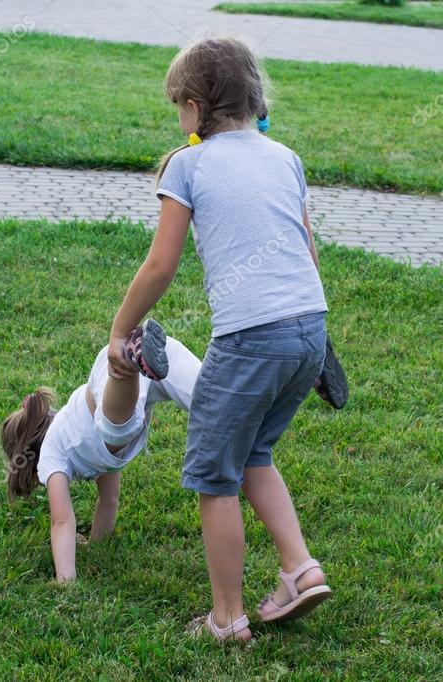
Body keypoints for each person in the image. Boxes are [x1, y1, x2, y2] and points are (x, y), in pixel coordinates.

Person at [107, 36, 332, 642]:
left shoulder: (189, 164)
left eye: (178, 104)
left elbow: (160, 265)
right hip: (310, 329)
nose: (177, 117)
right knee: (254, 450)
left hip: (249, 341)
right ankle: (300, 569)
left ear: (196, 106)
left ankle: (227, 620)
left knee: (214, 476)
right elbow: (307, 251)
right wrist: (315, 347)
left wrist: (121, 329)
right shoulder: (284, 156)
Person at [2, 320, 200, 582]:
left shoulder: (51, 453)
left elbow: (62, 521)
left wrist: (65, 581)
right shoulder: (81, 445)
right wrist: (96, 545)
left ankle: (130, 359)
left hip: (114, 374)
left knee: (115, 429)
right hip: (145, 371)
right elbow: (109, 499)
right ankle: (139, 352)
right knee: (214, 401)